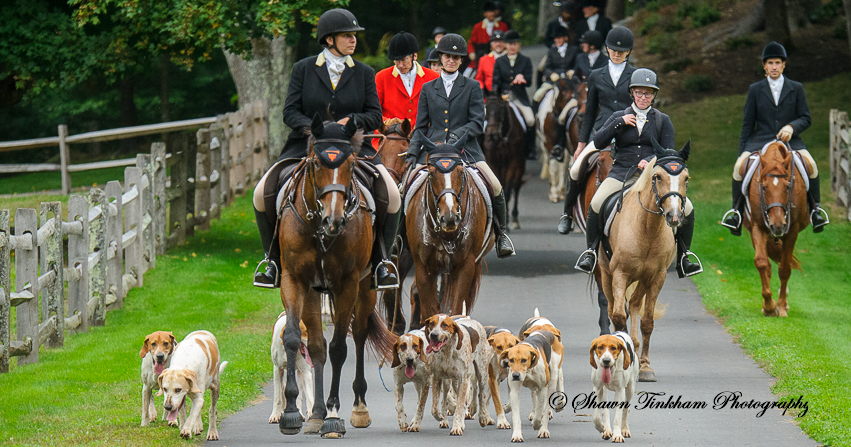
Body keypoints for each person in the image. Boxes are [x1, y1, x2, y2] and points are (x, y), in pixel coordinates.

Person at [252, 8, 401, 290]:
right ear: (329, 39)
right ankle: (271, 261)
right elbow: (290, 112)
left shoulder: (364, 72)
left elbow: (374, 114)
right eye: (347, 36)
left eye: (354, 35)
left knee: (392, 196)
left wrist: (351, 121)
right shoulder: (304, 68)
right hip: (307, 145)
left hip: (352, 147)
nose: (353, 40)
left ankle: (382, 262)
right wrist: (313, 128)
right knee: (261, 193)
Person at [574, 69, 703, 278]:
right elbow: (598, 142)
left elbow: (668, 154)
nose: (643, 97)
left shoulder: (662, 120)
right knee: (597, 202)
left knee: (687, 207)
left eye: (648, 93)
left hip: (652, 179)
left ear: (654, 95)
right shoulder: (618, 116)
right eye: (639, 93)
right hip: (621, 174)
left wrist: (651, 160)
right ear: (632, 93)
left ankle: (684, 257)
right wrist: (619, 123)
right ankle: (591, 252)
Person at [406, 33, 516, 258]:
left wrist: (457, 136)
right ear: (440, 57)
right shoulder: (428, 88)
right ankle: (400, 238)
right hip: (433, 150)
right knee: (405, 188)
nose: (451, 61)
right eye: (447, 56)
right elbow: (420, 125)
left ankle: (501, 234)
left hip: (466, 150)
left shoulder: (472, 86)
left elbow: (477, 122)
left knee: (495, 186)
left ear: (461, 60)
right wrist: (411, 154)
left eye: (456, 57)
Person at [721, 41, 828, 235]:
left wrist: (791, 127)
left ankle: (816, 211)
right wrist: (742, 153)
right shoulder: (755, 89)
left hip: (791, 142)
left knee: (811, 165)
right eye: (770, 63)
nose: (774, 67)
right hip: (760, 139)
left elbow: (806, 118)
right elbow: (747, 124)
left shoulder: (796, 88)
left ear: (783, 65)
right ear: (764, 66)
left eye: (777, 62)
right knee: (738, 168)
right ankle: (736, 212)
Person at [557, 26, 635, 234]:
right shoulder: (596, 75)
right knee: (576, 169)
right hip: (603, 133)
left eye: (622, 51)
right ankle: (567, 214)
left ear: (628, 52)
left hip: (629, 134)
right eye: (613, 50)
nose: (617, 54)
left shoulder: (635, 74)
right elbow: (590, 112)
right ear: (607, 49)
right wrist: (581, 144)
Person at [375, 32, 439, 123]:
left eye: (404, 60)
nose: (400, 65)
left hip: (423, 131)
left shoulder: (433, 77)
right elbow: (373, 111)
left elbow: (439, 111)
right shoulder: (381, 77)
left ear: (414, 56)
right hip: (391, 131)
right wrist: (389, 123)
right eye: (397, 60)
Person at [493, 30, 537, 160]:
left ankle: (530, 149)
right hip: (503, 97)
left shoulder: (525, 60)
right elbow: (495, 81)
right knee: (488, 119)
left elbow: (529, 82)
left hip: (519, 98)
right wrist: (498, 94)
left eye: (515, 44)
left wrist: (522, 77)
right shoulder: (500, 61)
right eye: (510, 44)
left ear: (519, 45)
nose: (512, 46)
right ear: (505, 45)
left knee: (530, 120)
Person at [466, 1, 509, 78]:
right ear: (484, 13)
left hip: (499, 57)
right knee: (466, 75)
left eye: (493, 11)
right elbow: (471, 43)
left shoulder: (503, 26)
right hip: (479, 59)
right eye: (489, 11)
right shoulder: (477, 27)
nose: (492, 13)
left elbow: (507, 42)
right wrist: (471, 53)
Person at [475, 30, 507, 95]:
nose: (498, 44)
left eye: (500, 41)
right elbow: (479, 78)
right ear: (491, 44)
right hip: (490, 94)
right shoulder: (484, 60)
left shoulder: (509, 58)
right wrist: (481, 89)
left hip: (507, 94)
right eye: (495, 42)